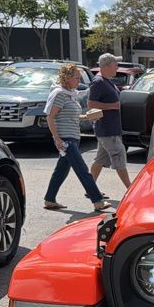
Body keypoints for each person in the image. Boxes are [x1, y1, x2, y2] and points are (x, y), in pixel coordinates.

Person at [43, 63, 111, 212]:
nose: (79, 81)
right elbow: (50, 117)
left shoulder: (70, 94)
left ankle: (49, 199)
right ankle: (97, 201)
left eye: (79, 78)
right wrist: (57, 139)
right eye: (76, 78)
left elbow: (68, 116)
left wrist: (86, 117)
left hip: (73, 137)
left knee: (61, 170)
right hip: (66, 139)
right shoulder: (60, 94)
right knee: (82, 169)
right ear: (67, 78)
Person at [88, 53, 132, 192]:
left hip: (110, 128)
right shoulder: (98, 82)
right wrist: (113, 106)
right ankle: (130, 190)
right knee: (119, 157)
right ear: (106, 66)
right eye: (115, 65)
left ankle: (90, 189)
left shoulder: (108, 81)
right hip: (107, 130)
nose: (117, 68)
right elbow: (91, 103)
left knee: (100, 160)